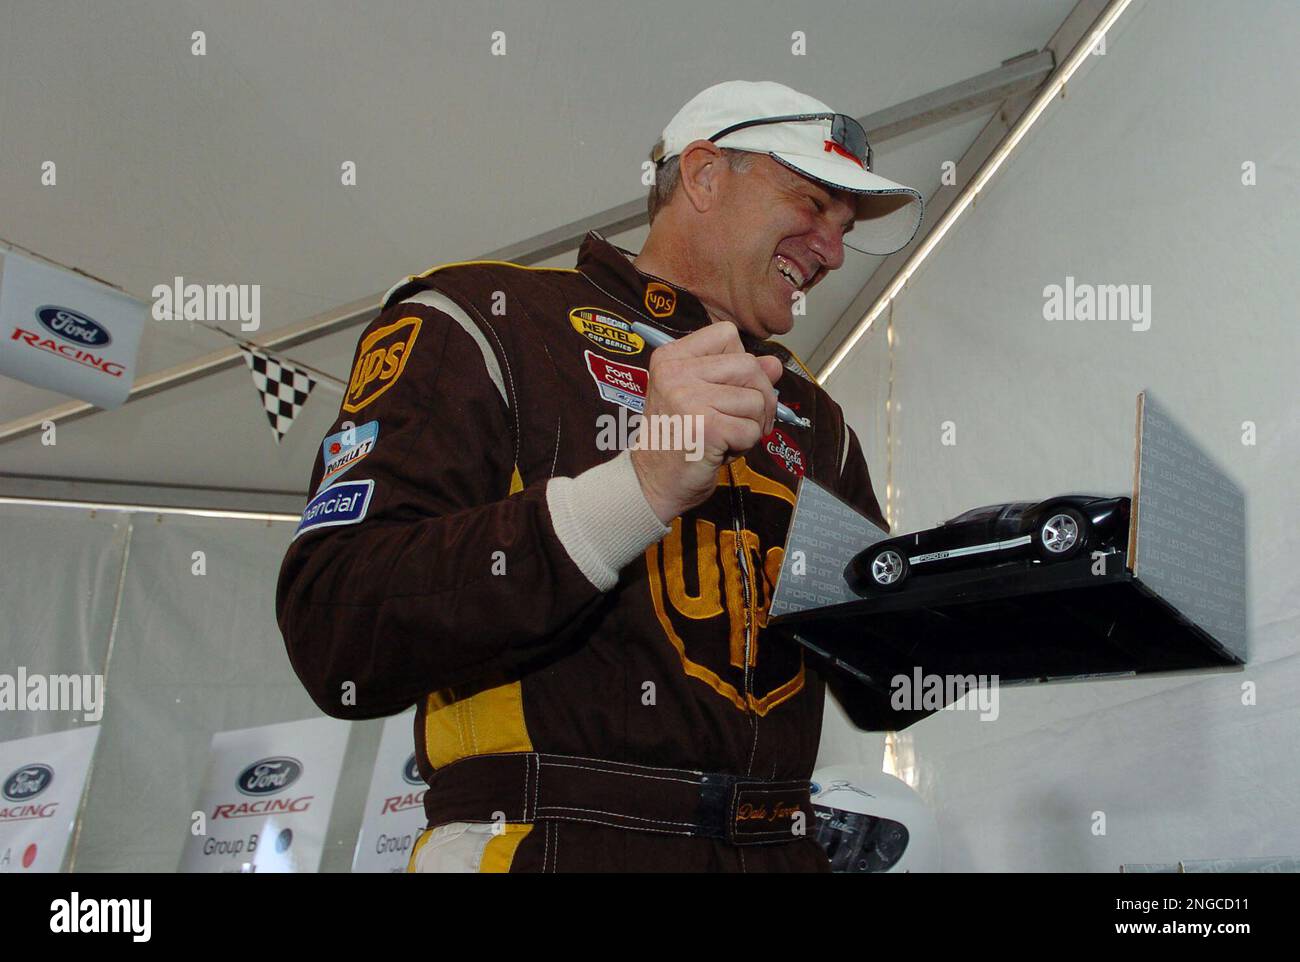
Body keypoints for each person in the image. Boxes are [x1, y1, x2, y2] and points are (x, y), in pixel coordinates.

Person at [276, 80, 923, 872]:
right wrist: (638, 489)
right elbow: (335, 630)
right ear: (705, 174)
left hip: (779, 850)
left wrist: (1042, 584)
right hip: (551, 838)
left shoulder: (811, 416)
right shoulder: (487, 316)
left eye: (845, 228)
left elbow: (886, 678)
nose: (830, 250)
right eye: (813, 204)